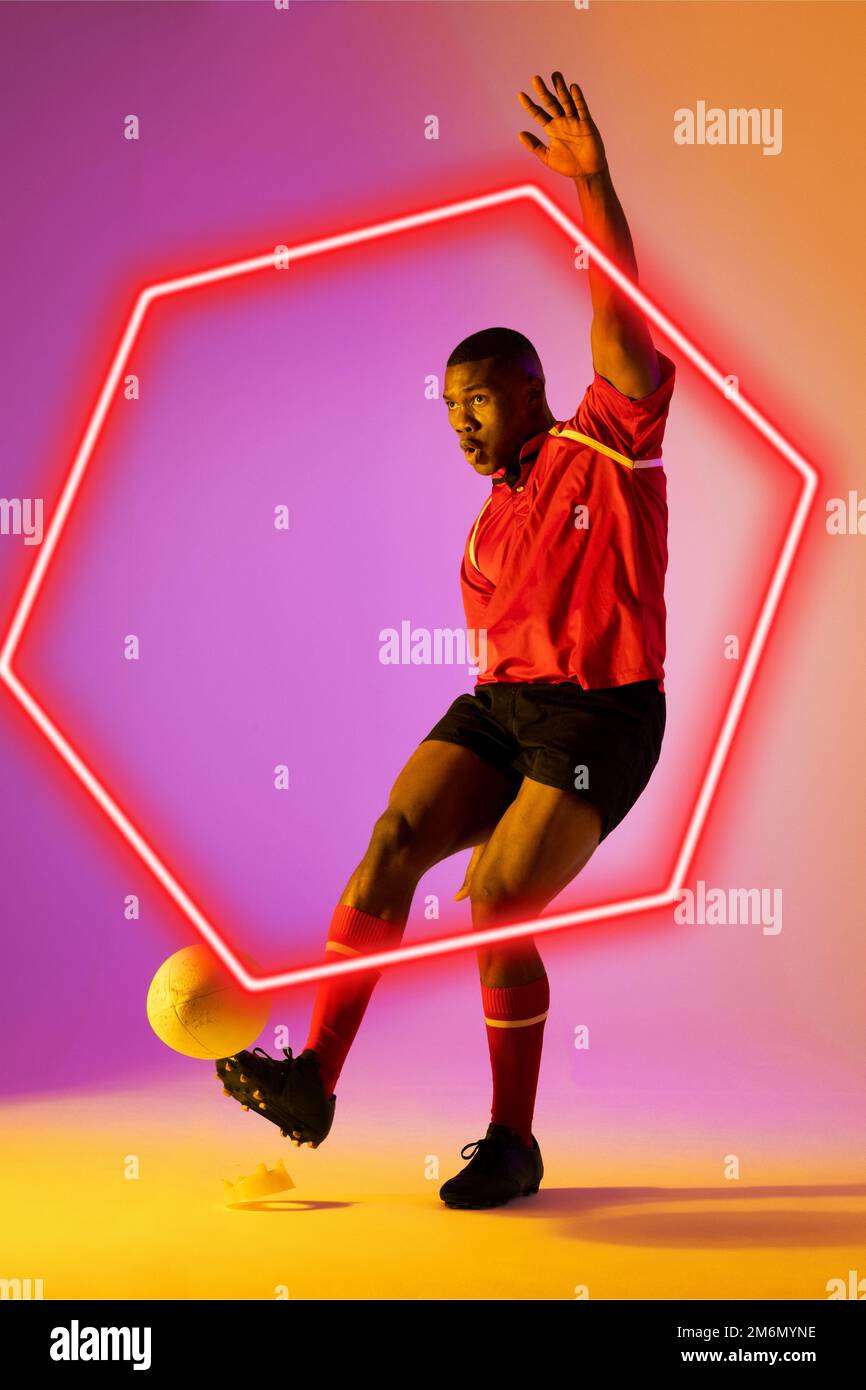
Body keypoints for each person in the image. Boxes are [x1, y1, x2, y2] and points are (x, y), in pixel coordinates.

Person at [217, 72, 676, 1210]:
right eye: (448, 406)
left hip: (601, 713)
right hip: (506, 705)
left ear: (531, 389)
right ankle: (314, 1078)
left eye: (478, 397)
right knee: (390, 842)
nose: (461, 419)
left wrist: (590, 181)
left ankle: (510, 1140)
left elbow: (618, 317)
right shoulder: (480, 529)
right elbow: (494, 660)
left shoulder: (606, 445)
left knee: (494, 898)